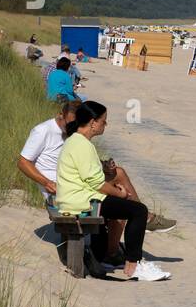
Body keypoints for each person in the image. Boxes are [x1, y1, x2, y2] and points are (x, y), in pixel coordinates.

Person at [18, 98, 178, 238]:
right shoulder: (43, 131)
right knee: (119, 186)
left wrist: (103, 166)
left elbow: (80, 162)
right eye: (71, 122)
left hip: (74, 181)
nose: (73, 126)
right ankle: (145, 218)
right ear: (61, 114)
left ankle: (115, 249)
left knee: (116, 177)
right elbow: (23, 162)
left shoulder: (74, 136)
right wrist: (46, 182)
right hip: (61, 187)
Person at [56, 102, 170, 282]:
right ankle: (134, 264)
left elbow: (89, 175)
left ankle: (111, 256)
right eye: (103, 121)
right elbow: (96, 183)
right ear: (93, 123)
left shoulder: (76, 141)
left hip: (76, 197)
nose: (105, 125)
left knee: (127, 208)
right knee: (138, 210)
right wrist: (120, 194)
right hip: (82, 201)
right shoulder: (82, 144)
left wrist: (108, 175)